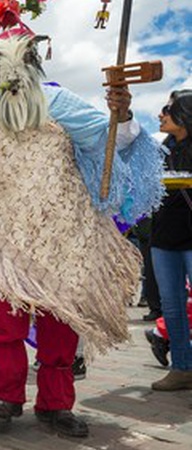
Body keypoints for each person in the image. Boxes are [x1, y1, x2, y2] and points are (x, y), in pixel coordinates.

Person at [0, 27, 164, 437]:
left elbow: (118, 138)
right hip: (6, 245)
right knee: (3, 321)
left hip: (59, 236)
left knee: (60, 325)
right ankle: (5, 398)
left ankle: (56, 405)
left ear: (33, 64)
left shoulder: (58, 101)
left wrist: (123, 112)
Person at [150, 89, 192, 391]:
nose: (161, 114)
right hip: (163, 238)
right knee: (173, 307)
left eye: (168, 109)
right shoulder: (161, 149)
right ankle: (182, 368)